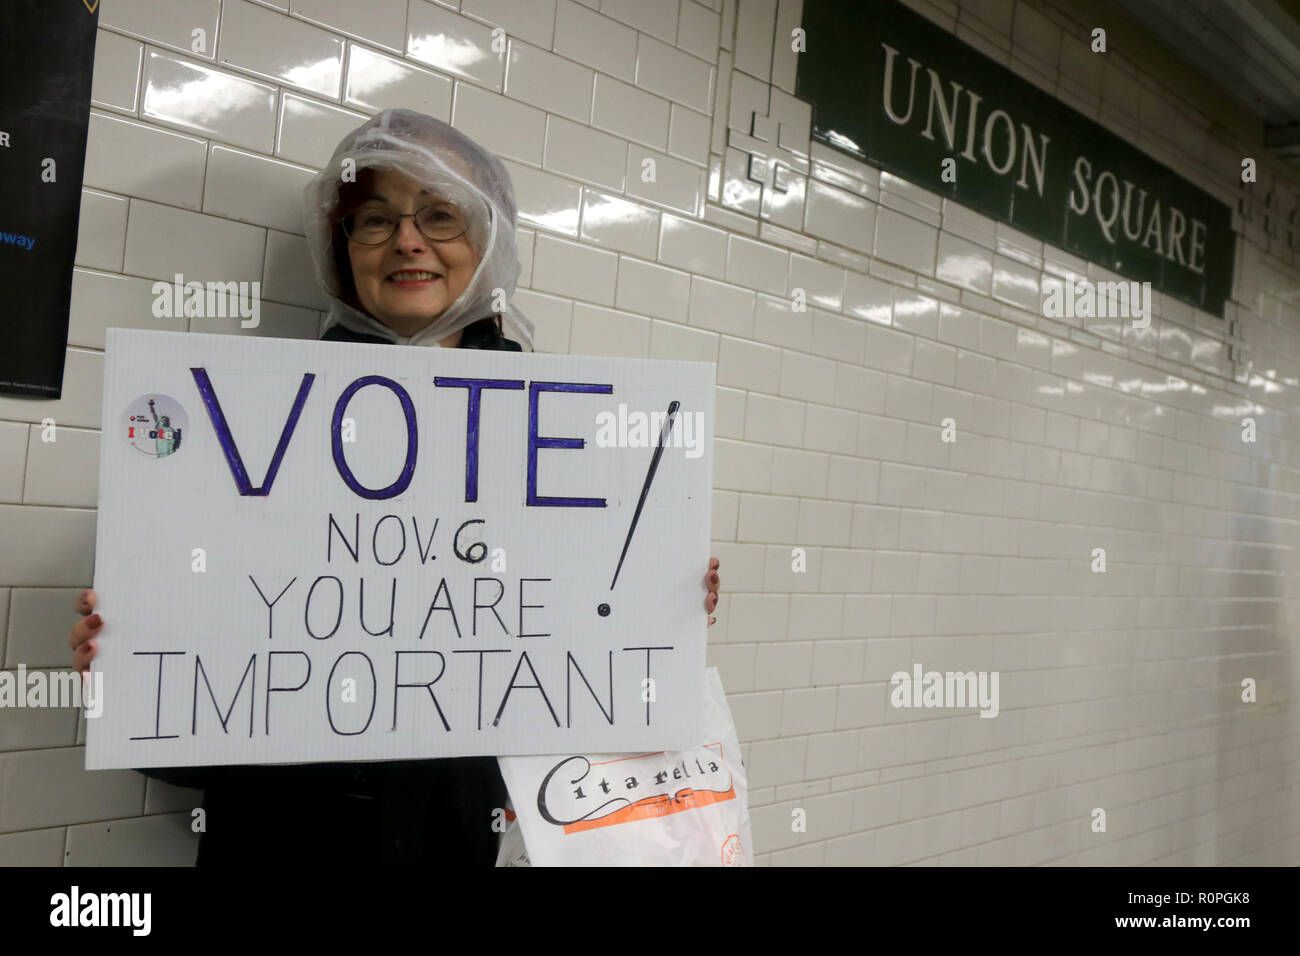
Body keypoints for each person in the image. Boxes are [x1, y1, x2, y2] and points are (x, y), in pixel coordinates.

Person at [68, 109, 722, 867]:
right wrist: (132, 657)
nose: (408, 240)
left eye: (439, 215)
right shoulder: (242, 424)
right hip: (276, 838)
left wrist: (661, 608)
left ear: (489, 244)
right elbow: (185, 723)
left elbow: (591, 683)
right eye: (375, 219)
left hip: (462, 837)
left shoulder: (573, 440)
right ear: (343, 250)